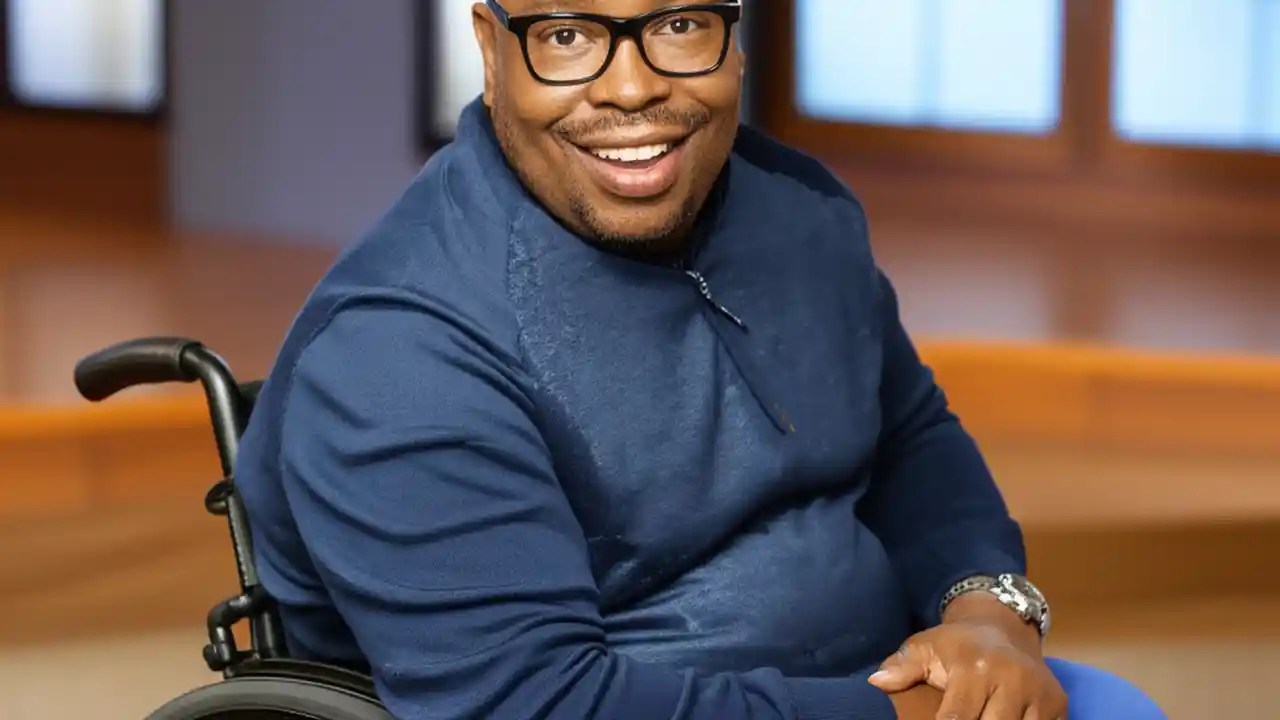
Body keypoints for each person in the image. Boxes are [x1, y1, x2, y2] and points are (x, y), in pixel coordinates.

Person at [234, 2, 1167, 718]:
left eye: (679, 25)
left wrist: (989, 617)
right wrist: (909, 713)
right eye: (568, 37)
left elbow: (912, 439)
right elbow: (538, 705)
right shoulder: (398, 353)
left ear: (734, 38)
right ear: (491, 47)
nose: (631, 88)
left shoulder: (796, 208)